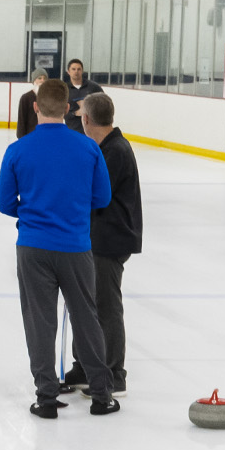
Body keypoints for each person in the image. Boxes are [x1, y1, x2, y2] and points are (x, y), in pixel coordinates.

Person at [0, 78, 115, 417]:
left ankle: (46, 397)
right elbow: (102, 198)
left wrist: (34, 212)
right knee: (86, 318)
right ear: (67, 109)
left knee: (40, 321)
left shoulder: (17, 150)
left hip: (33, 247)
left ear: (35, 107)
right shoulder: (88, 148)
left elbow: (5, 203)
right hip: (76, 247)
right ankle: (101, 395)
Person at [60, 90, 142, 396]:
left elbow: (94, 196)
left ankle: (113, 373)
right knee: (86, 305)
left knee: (105, 307)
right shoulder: (105, 148)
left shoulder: (115, 151)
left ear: (86, 119)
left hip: (109, 240)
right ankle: (84, 366)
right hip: (96, 237)